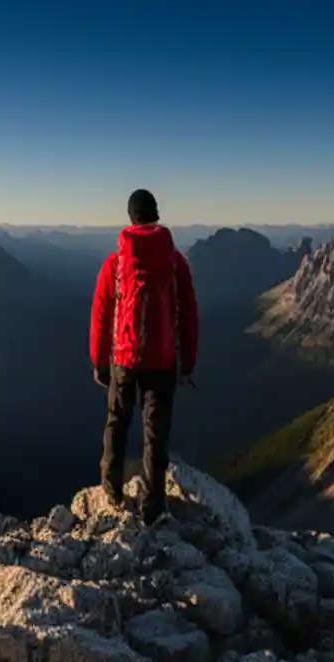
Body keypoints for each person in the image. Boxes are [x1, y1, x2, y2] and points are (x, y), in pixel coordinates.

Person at [89, 189, 199, 524]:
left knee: (117, 422)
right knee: (156, 432)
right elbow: (189, 313)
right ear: (156, 215)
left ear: (131, 218)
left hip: (123, 358)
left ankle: (111, 490)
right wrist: (187, 362)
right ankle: (153, 508)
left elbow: (101, 312)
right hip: (162, 361)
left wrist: (99, 360)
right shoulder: (175, 261)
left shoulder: (116, 263)